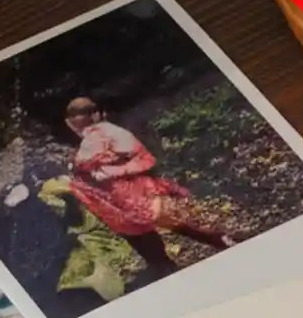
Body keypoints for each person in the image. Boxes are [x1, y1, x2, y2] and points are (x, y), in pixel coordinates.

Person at [64, 96, 240, 276]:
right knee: (148, 230)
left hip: (133, 193)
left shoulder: (104, 135)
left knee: (156, 226)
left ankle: (209, 245)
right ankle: (170, 265)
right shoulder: (98, 136)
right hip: (120, 197)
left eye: (78, 120)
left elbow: (143, 160)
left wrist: (113, 172)